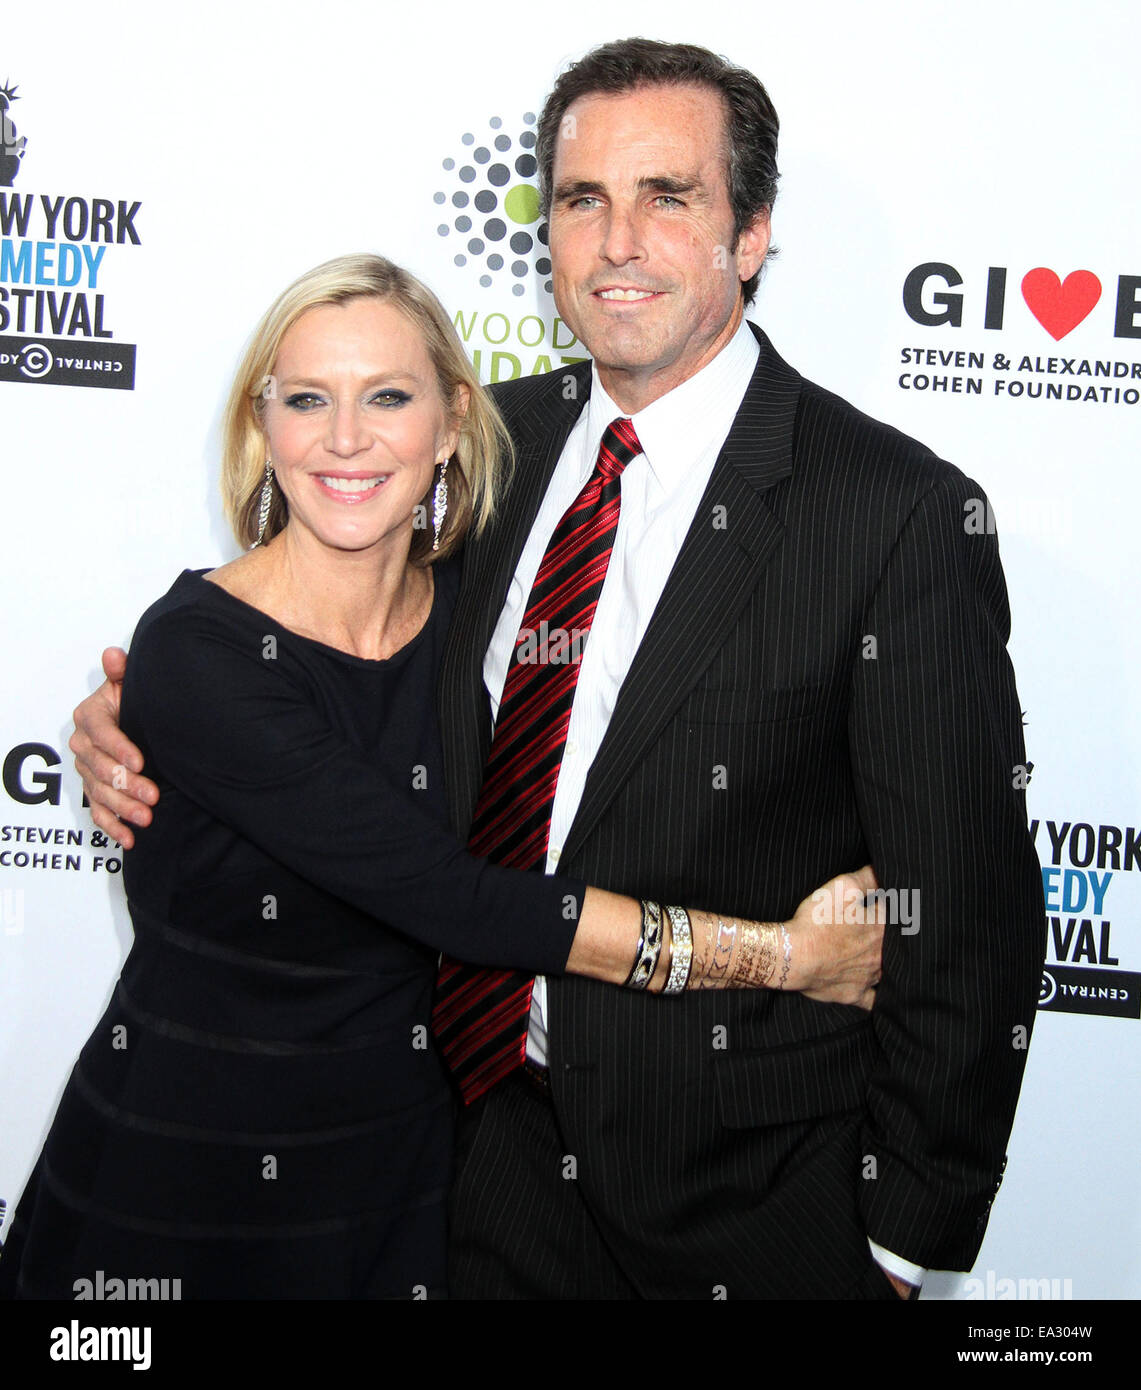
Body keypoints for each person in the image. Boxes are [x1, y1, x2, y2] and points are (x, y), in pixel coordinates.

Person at [73, 38, 1046, 1299]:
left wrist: (894, 1247)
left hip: (748, 1204)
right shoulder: (485, 447)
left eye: (668, 197)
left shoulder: (892, 514)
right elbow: (323, 645)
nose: (617, 242)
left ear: (749, 234)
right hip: (473, 1162)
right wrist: (145, 721)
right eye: (583, 200)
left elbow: (965, 918)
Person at [2, 253, 881, 1301]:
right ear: (261, 424)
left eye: (387, 396)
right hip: (189, 1175)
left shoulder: (488, 604)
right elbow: (460, 900)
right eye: (306, 400)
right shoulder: (198, 653)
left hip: (408, 1184)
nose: (344, 439)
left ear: (453, 422)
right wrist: (779, 957)